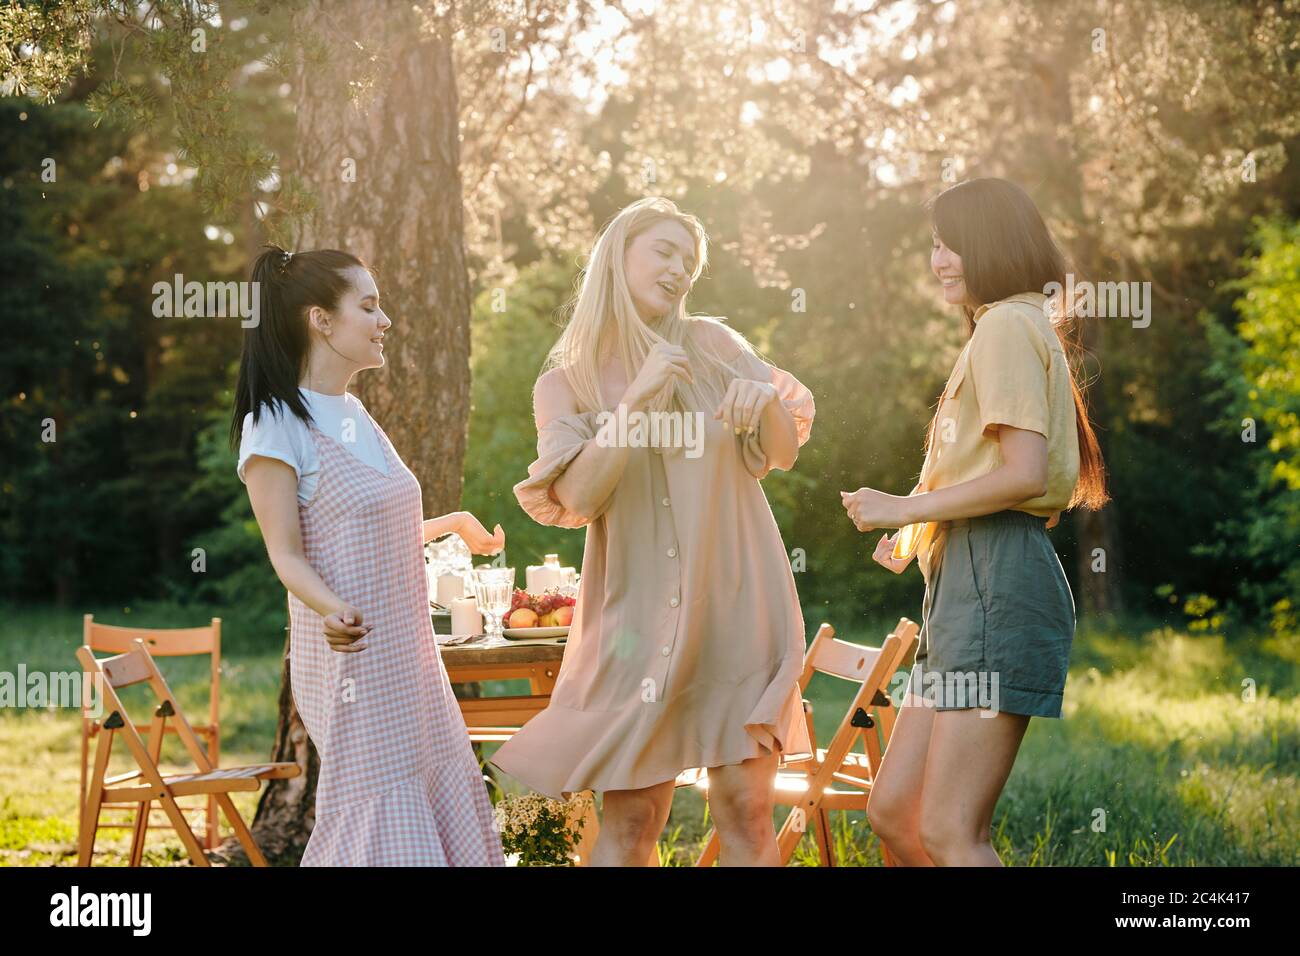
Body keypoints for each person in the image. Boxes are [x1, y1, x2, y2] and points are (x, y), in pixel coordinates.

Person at [490, 197, 816, 866]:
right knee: (632, 823)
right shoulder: (564, 385)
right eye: (665, 252)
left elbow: (780, 450)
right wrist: (634, 401)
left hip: (736, 604)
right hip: (633, 619)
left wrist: (767, 403)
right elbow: (577, 498)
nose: (679, 271)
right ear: (619, 255)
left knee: (746, 814)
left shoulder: (716, 345)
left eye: (689, 262)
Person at [844, 178, 1109, 866]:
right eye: (934, 243)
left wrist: (905, 509)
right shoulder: (1010, 325)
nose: (938, 259)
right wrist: (917, 528)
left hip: (996, 579)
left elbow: (1024, 474)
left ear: (991, 244)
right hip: (965, 582)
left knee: (951, 833)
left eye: (951, 243)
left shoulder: (1005, 327)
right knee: (895, 812)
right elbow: (985, 466)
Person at [233, 245, 505, 866]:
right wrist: (331, 609)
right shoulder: (274, 423)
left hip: (411, 658)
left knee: (437, 795)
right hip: (352, 661)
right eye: (370, 306)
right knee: (378, 812)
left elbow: (360, 532)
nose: (385, 321)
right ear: (320, 320)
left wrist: (449, 525)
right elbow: (287, 554)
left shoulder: (353, 412)